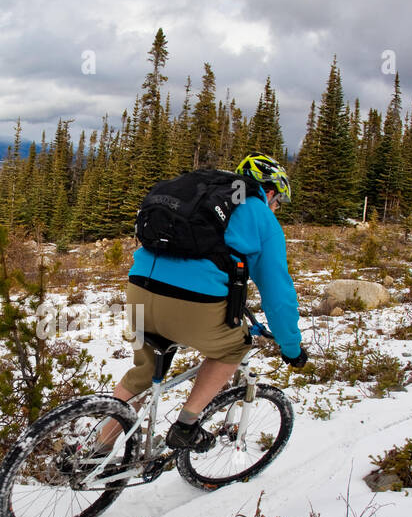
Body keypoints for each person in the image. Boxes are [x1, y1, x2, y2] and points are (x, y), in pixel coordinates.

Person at [113, 154, 306, 452]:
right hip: (191, 305)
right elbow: (277, 293)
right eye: (278, 200)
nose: (276, 207)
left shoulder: (199, 192)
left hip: (138, 292)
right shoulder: (259, 213)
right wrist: (291, 347)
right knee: (233, 345)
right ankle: (186, 427)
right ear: (269, 191)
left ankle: (92, 455)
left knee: (142, 374)